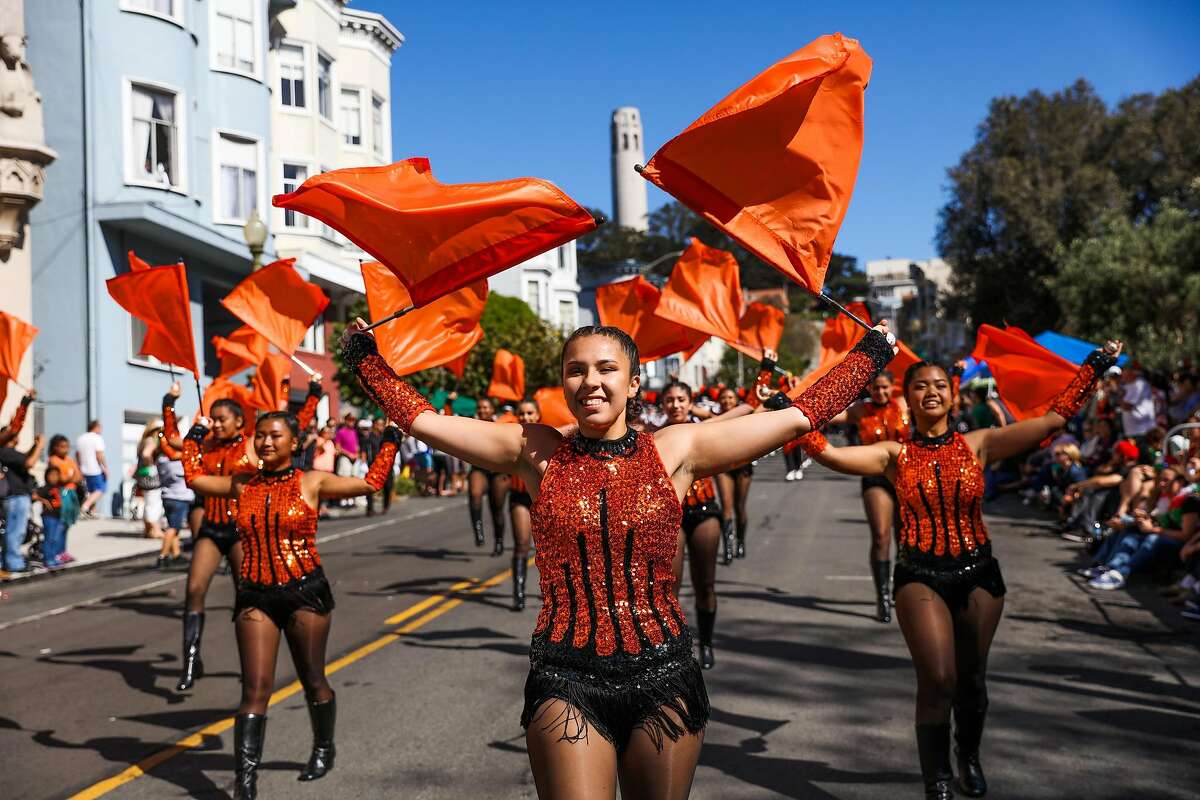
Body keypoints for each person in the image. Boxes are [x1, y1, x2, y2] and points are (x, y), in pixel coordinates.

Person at [341, 317, 895, 800]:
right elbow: (424, 421)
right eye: (576, 370)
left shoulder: (678, 449)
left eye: (606, 369)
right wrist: (366, 359)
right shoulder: (532, 450)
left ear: (633, 383)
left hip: (664, 675)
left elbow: (798, 418)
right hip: (565, 675)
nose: (590, 383)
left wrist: (870, 354)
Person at [796, 342, 1120, 799]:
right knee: (939, 677)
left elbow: (1052, 420)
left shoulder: (980, 444)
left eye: (940, 386)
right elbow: (829, 454)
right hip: (919, 576)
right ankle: (938, 779)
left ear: (952, 395)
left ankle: (967, 754)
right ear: (908, 399)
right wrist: (796, 411)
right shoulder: (892, 454)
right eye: (920, 386)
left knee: (971, 679)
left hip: (979, 576)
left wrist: (1093, 368)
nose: (931, 391)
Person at [182, 409, 400, 798]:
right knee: (254, 689)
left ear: (294, 442)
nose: (266, 442)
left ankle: (323, 747)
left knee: (312, 679)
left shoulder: (312, 481)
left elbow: (370, 483)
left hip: (305, 594)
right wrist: (194, 435)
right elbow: (194, 477)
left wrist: (391, 441)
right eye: (261, 436)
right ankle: (245, 783)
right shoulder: (241, 484)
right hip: (254, 595)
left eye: (276, 436)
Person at [162, 379, 322, 692]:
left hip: (240, 531)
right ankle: (191, 662)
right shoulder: (205, 445)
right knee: (194, 589)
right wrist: (169, 402)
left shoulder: (252, 445)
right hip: (211, 527)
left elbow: (295, 427)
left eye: (223, 419)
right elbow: (171, 440)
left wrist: (314, 395)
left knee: (245, 597)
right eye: (214, 418)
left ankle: (251, 664)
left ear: (239, 421)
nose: (217, 423)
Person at [662, 380, 754, 670]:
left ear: (690, 403)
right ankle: (672, 649)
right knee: (668, 587)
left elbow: (745, 409)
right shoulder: (654, 434)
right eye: (670, 400)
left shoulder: (703, 430)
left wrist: (763, 376)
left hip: (704, 511)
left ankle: (707, 643)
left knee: (705, 584)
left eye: (681, 399)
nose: (675, 405)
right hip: (670, 514)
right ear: (662, 404)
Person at [825, 369, 910, 623]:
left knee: (906, 538)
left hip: (907, 476)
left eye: (885, 388)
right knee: (881, 536)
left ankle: (904, 590)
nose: (881, 392)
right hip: (874, 477)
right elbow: (826, 414)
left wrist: (957, 376)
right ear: (869, 389)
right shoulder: (859, 411)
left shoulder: (905, 405)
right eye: (876, 388)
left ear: (892, 387)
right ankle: (882, 596)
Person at [464, 395, 510, 554]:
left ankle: (499, 541)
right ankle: (478, 531)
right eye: (480, 408)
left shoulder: (502, 424)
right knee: (474, 493)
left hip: (499, 470)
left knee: (497, 508)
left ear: (492, 410)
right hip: (479, 469)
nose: (482, 410)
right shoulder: (471, 425)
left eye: (486, 407)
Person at [507, 399, 541, 611]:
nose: (526, 417)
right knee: (522, 543)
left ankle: (554, 592)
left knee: (549, 549)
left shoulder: (550, 436)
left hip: (543, 499)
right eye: (522, 413)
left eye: (530, 413)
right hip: (519, 495)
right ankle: (518, 593)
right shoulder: (508, 436)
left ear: (538, 415)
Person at [1, 432, 43, 572]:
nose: (17, 436)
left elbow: (24, 458)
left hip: (16, 496)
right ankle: (14, 563)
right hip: (15, 497)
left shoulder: (9, 453)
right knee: (15, 531)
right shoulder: (5, 451)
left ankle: (8, 560)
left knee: (13, 531)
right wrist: (40, 446)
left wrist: (34, 446)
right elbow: (29, 463)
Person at [156, 426, 192, 569]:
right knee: (173, 528)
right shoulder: (176, 459)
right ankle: (163, 556)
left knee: (174, 528)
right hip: (179, 497)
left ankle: (176, 554)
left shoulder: (160, 458)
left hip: (167, 495)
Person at [135, 420, 166, 542]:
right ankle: (155, 530)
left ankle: (149, 530)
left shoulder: (143, 440)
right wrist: (151, 466)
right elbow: (146, 454)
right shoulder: (151, 441)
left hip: (143, 476)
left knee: (149, 502)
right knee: (154, 503)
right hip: (151, 477)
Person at [363, 417, 396, 516]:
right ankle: (370, 509)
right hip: (374, 465)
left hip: (386, 465)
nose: (380, 427)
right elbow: (365, 451)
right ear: (374, 425)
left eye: (382, 425)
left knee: (388, 486)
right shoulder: (370, 437)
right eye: (379, 424)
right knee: (370, 487)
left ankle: (386, 506)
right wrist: (365, 463)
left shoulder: (385, 436)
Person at [75, 419, 108, 518]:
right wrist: (105, 467)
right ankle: (85, 507)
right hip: (95, 469)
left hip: (83, 469)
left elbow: (77, 454)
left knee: (90, 491)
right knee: (100, 489)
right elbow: (99, 454)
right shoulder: (97, 438)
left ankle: (92, 511)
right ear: (96, 427)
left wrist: (79, 467)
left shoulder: (81, 438)